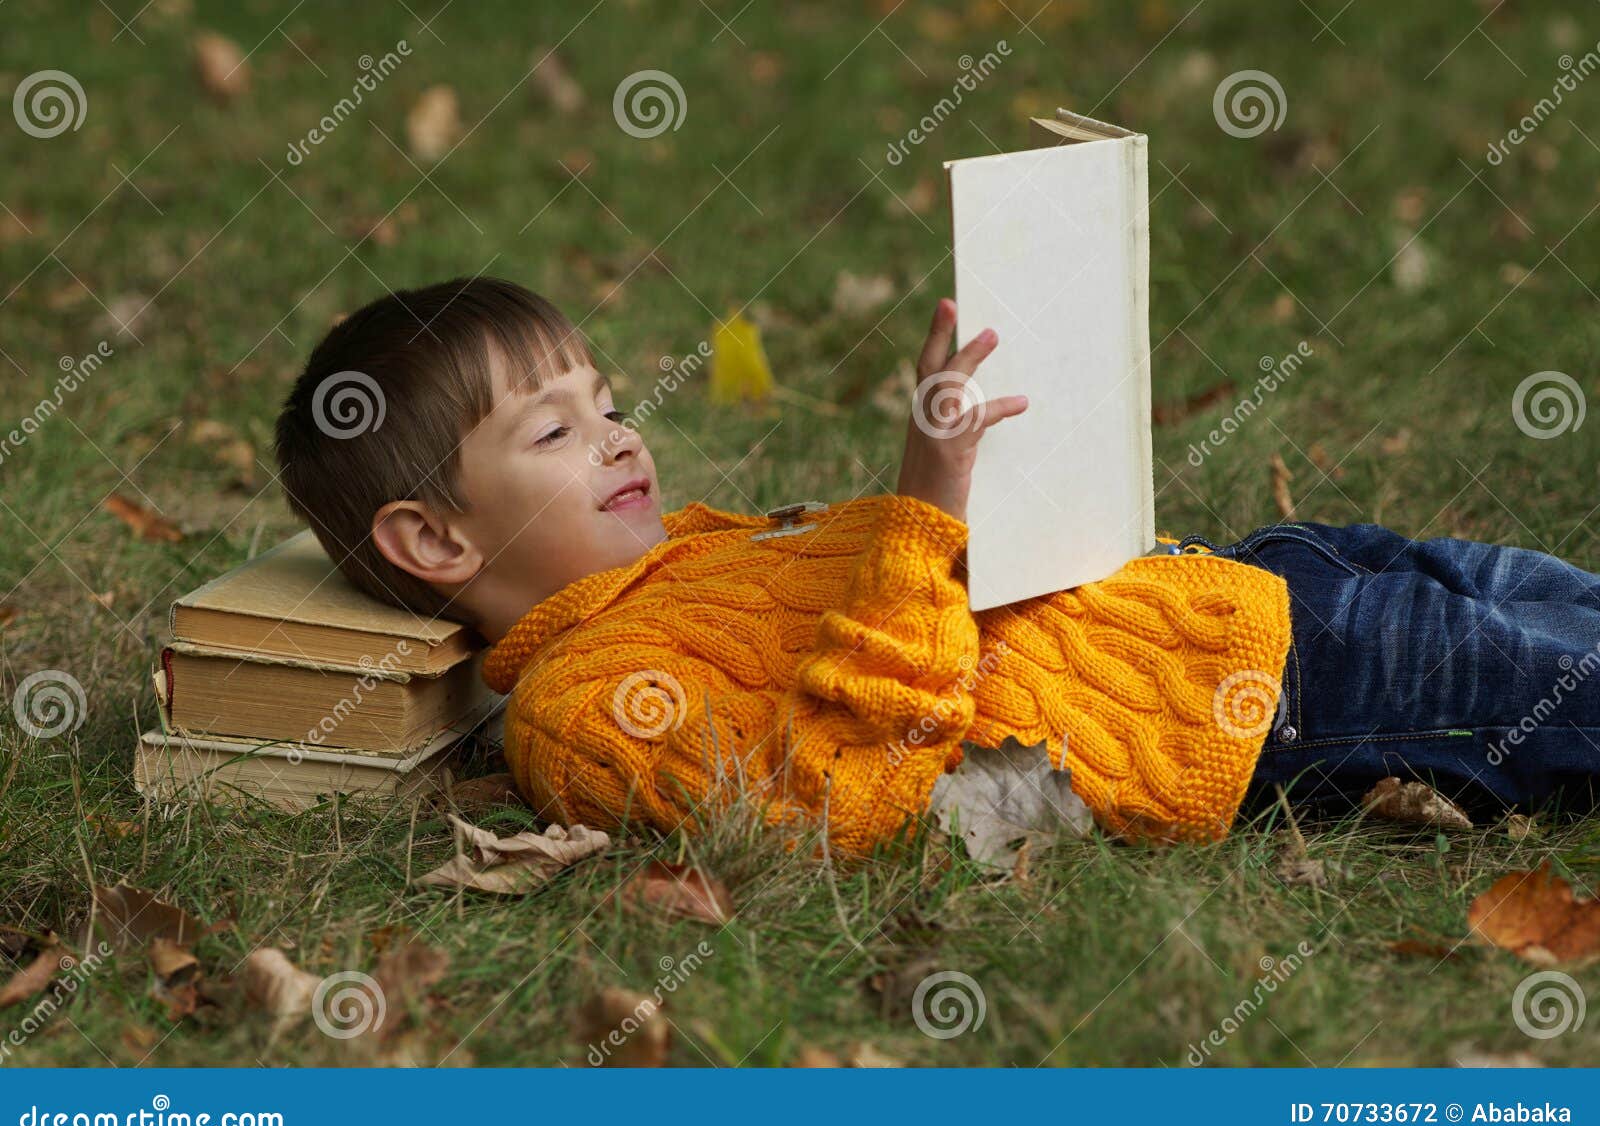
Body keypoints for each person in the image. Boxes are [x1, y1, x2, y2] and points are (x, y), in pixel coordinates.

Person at [273, 277, 1599, 858]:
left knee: (1548, 595)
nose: (619, 431)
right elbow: (839, 789)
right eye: (554, 430)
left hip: (1248, 579)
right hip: (1262, 703)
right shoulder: (585, 708)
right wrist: (925, 504)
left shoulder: (685, 553)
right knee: (1558, 680)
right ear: (437, 541)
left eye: (607, 399)